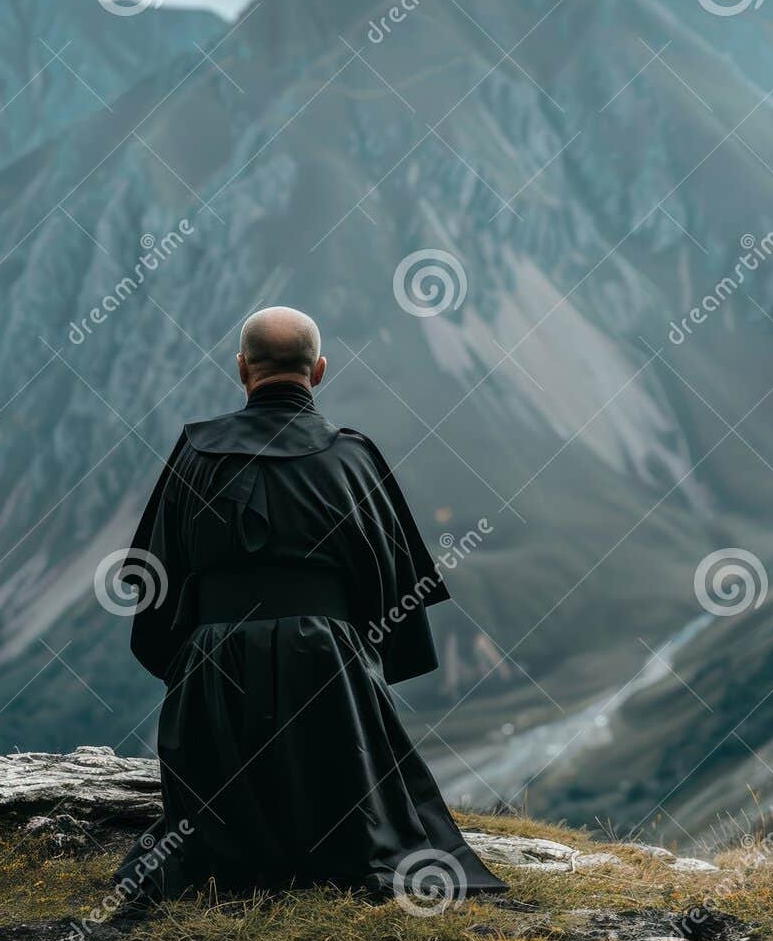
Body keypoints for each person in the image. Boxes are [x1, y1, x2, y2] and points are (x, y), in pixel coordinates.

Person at [113, 306, 504, 902]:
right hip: (328, 669)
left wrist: (194, 657)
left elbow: (157, 581)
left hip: (215, 666)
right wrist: (360, 661)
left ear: (242, 369)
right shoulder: (353, 458)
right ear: (319, 371)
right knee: (365, 814)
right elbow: (391, 586)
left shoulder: (193, 454)